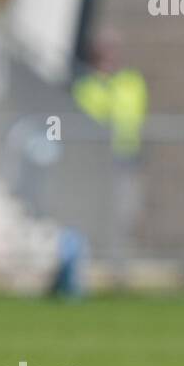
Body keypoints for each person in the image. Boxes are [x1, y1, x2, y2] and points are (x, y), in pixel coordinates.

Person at [72, 29, 147, 283]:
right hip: (95, 164)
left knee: (124, 215)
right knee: (91, 215)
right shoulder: (87, 86)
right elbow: (89, 117)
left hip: (125, 157)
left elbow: (133, 113)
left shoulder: (131, 82)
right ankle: (88, 267)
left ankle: (119, 270)